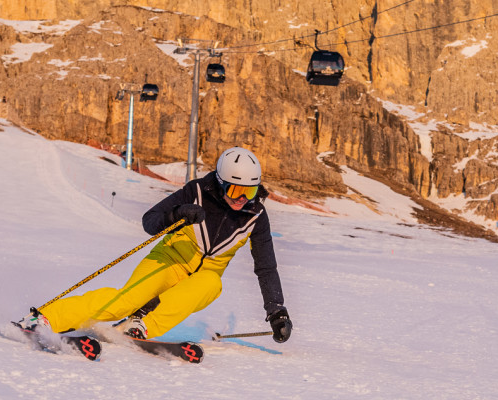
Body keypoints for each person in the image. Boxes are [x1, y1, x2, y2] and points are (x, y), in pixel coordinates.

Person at [15, 146, 292, 358]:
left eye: (250, 191)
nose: (242, 198)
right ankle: (46, 317)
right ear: (220, 184)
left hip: (201, 278)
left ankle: (140, 327)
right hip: (168, 261)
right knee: (124, 301)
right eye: (235, 190)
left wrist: (276, 311)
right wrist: (178, 213)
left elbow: (266, 266)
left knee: (212, 283)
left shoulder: (256, 216)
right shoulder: (196, 192)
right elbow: (150, 221)